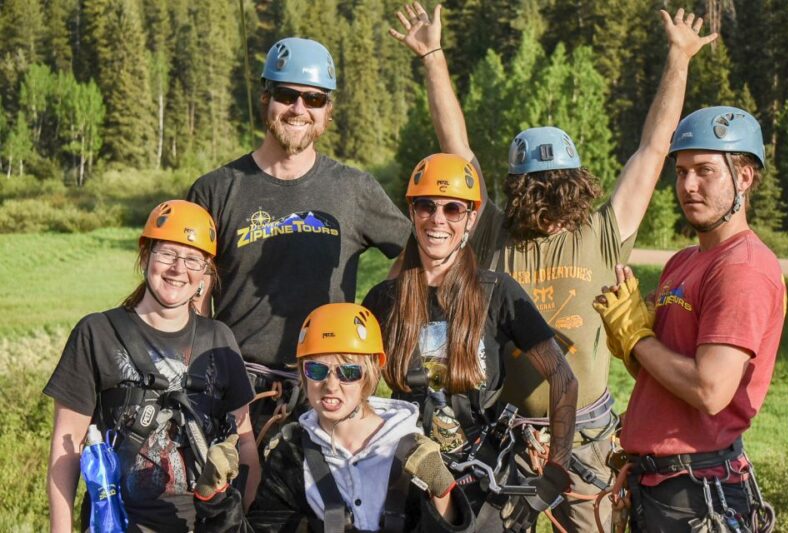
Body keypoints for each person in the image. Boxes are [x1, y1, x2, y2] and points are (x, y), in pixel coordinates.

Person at [389, 3, 715, 530]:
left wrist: (679, 57)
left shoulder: (603, 234)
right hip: (504, 434)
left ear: (576, 185)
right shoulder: (492, 230)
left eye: (554, 185)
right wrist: (432, 55)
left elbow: (655, 150)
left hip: (584, 438)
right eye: (535, 187)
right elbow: (458, 150)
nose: (544, 196)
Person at [186, 37, 410, 439]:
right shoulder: (216, 190)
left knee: (336, 503)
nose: (299, 109)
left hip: (330, 390)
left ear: (328, 111)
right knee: (234, 500)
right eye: (287, 95)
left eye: (315, 99)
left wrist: (377, 305)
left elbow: (423, 253)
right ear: (265, 98)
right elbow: (194, 302)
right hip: (239, 392)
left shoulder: (354, 189)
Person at [593, 106, 786, 531]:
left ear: (745, 178)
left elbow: (710, 388)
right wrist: (631, 343)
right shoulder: (683, 261)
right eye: (680, 172)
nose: (688, 185)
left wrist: (636, 336)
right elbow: (665, 372)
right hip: (660, 484)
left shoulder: (743, 267)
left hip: (696, 493)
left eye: (705, 171)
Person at [361, 153, 577, 531]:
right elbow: (352, 389)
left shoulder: (497, 293)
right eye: (426, 205)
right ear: (411, 212)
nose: (438, 219)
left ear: (471, 219)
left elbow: (563, 377)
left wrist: (555, 470)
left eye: (453, 208)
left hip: (482, 478)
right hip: (406, 476)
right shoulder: (384, 300)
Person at [45, 200, 260, 532]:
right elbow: (66, 443)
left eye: (193, 259)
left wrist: (231, 521)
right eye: (167, 254)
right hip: (117, 522)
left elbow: (244, 444)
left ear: (205, 272)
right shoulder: (98, 333)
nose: (178, 268)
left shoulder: (219, 339)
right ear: (146, 256)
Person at [193, 302, 475, 532]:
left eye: (348, 372)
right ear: (302, 373)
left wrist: (442, 490)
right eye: (316, 370)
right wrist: (216, 499)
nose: (330, 385)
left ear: (370, 374)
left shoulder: (411, 452)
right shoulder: (291, 457)